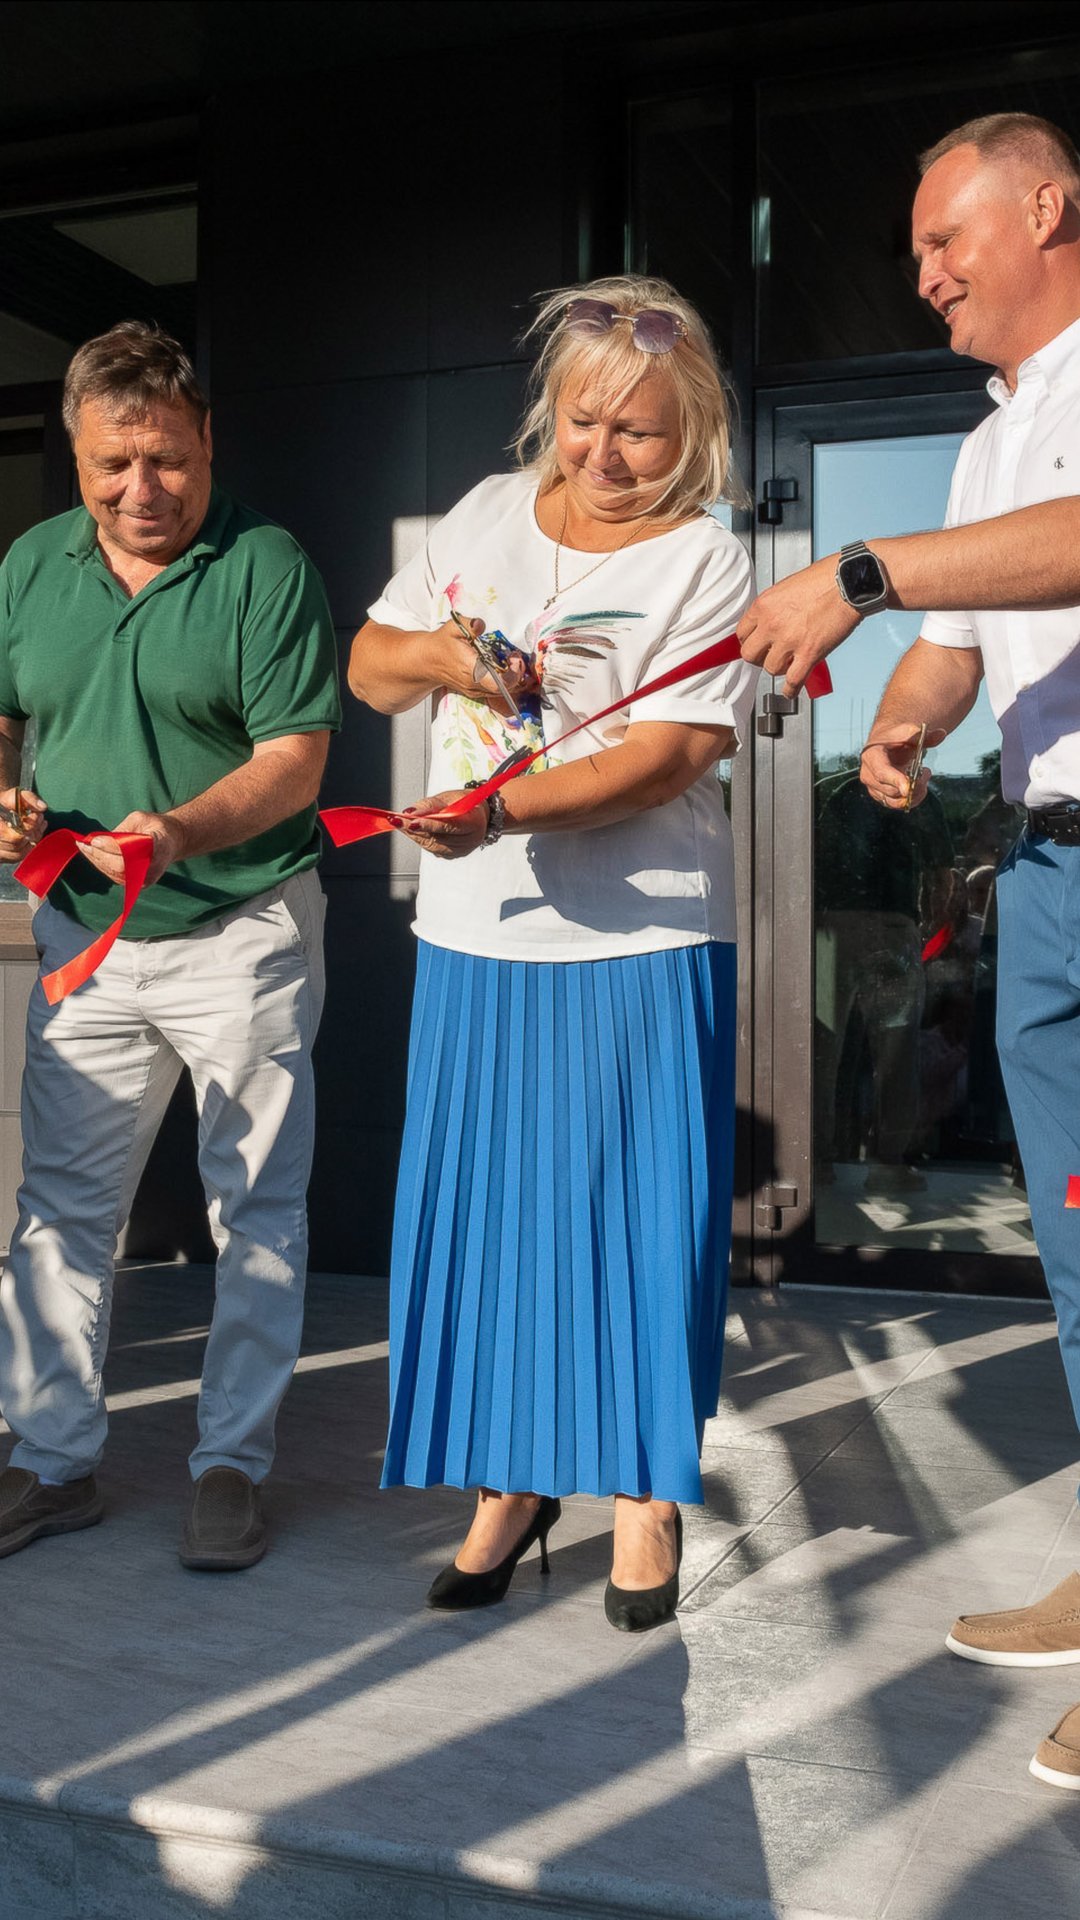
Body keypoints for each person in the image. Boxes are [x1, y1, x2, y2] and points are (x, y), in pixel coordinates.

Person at [736, 112, 1080, 1789]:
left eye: (948, 237)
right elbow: (958, 639)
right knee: (1079, 1245)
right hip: (1050, 864)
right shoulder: (988, 440)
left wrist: (856, 573)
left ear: (1050, 207)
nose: (925, 271)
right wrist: (900, 722)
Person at [349, 275, 758, 1631]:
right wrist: (445, 657)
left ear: (691, 434)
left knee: (639, 1221)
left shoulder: (704, 556)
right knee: (490, 1223)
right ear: (552, 408)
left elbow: (673, 754)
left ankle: (644, 1494)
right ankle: (511, 1486)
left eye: (639, 431)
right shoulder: (481, 511)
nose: (604, 452)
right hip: (475, 933)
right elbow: (368, 666)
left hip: (643, 928)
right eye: (586, 420)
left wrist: (502, 810)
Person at [0, 322, 340, 1571]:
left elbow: (296, 758)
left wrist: (180, 829)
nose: (142, 489)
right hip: (85, 938)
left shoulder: (265, 564)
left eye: (168, 460)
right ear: (76, 456)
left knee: (255, 1209)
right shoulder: (30, 566)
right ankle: (49, 1461)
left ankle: (231, 1467)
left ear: (207, 442)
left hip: (240, 931)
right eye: (113, 464)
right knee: (60, 1209)